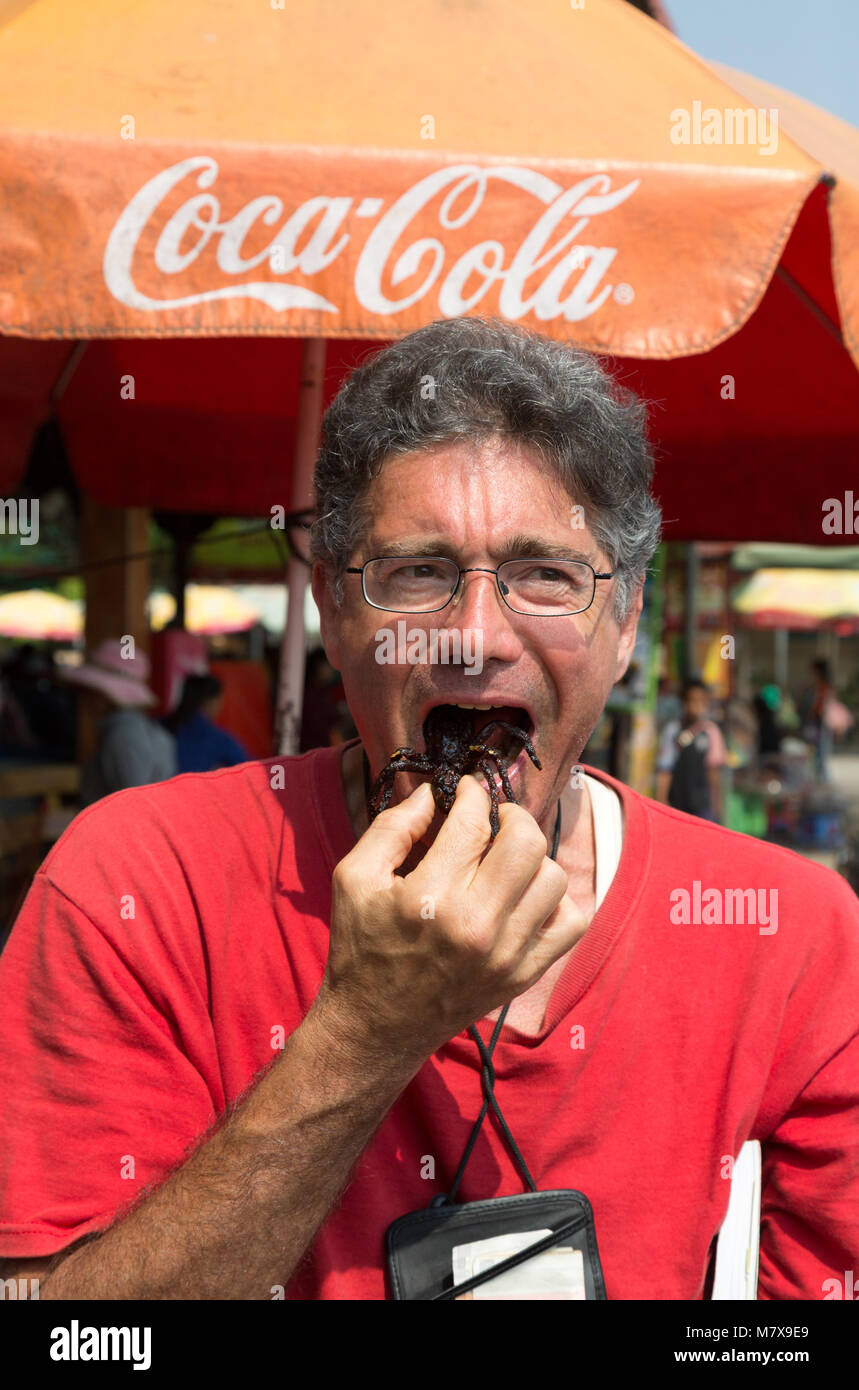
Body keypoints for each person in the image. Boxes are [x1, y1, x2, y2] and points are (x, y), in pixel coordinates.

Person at [0, 318, 857, 1303]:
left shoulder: (792, 936)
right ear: (330, 602)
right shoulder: (138, 883)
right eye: (418, 573)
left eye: (546, 574)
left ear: (625, 624)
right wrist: (364, 1034)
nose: (474, 637)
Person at [57, 638, 177, 807]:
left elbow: (132, 806)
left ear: (103, 694)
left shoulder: (123, 734)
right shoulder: (148, 731)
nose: (83, 698)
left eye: (88, 691)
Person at [655, 678, 726, 822]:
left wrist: (717, 809)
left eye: (701, 701)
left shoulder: (711, 732)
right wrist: (661, 801)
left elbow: (714, 774)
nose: (696, 706)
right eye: (691, 700)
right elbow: (665, 770)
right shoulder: (673, 730)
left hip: (702, 807)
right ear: (684, 702)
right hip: (677, 803)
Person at [162, 673, 250, 774]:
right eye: (220, 701)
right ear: (211, 701)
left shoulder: (158, 727)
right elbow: (249, 768)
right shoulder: (216, 738)